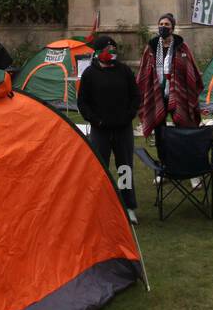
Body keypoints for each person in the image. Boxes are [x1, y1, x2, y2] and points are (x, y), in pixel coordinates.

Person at [77, 35, 142, 223]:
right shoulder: (90, 74)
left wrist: (128, 115)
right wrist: (95, 120)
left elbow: (135, 95)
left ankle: (128, 206)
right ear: (98, 53)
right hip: (100, 130)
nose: (111, 53)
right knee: (99, 168)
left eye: (114, 49)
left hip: (122, 129)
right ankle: (99, 205)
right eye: (108, 50)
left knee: (124, 168)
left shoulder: (124, 71)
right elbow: (83, 102)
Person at [136, 13, 202, 162]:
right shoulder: (151, 47)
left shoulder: (182, 47)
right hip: (157, 94)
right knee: (160, 132)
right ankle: (164, 165)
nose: (163, 27)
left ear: (172, 28)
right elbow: (144, 73)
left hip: (179, 95)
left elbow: (191, 71)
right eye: (161, 24)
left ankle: (187, 164)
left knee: (184, 128)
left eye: (166, 25)